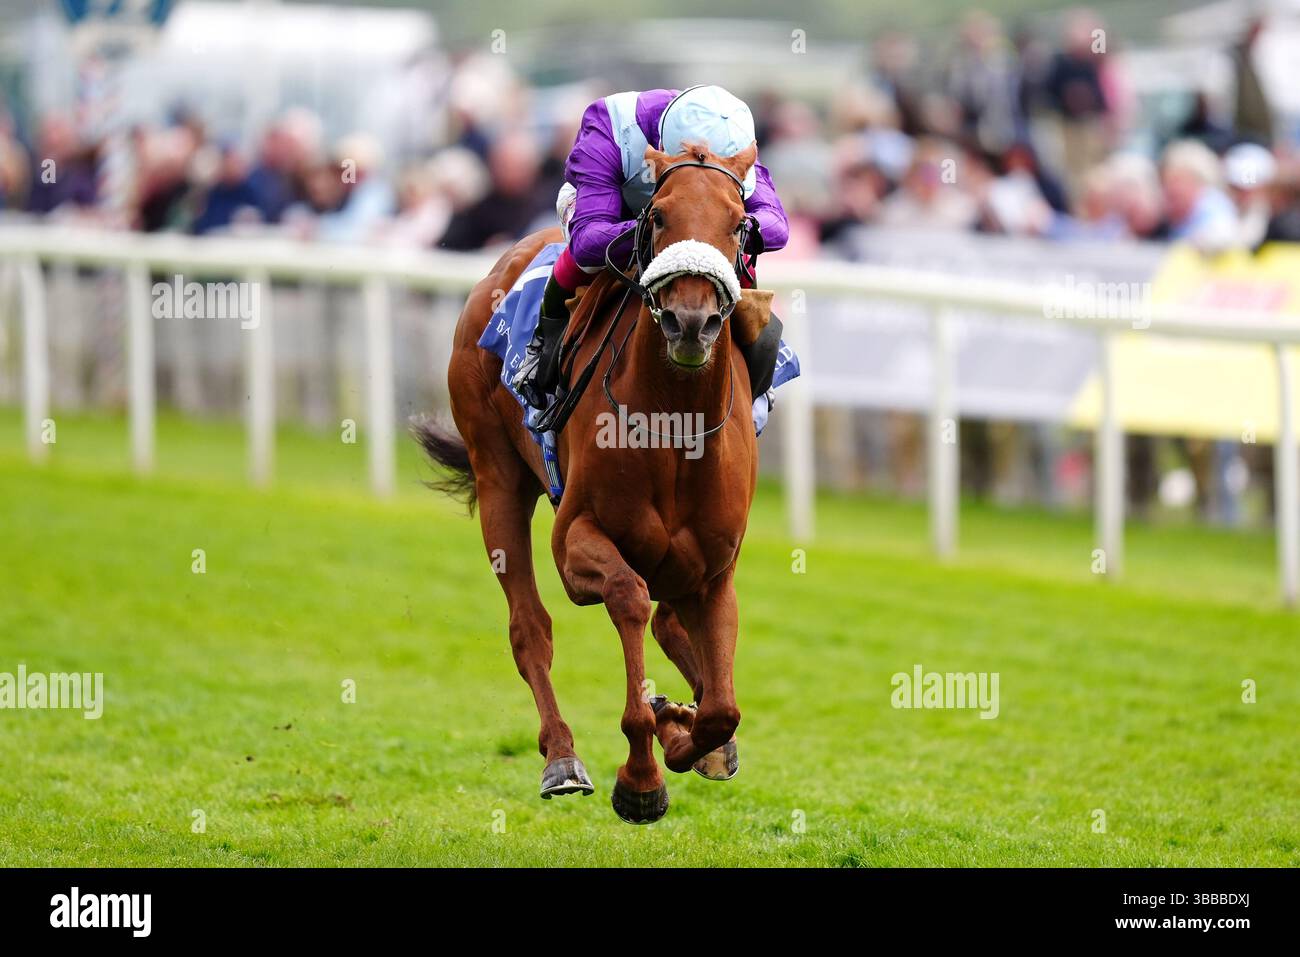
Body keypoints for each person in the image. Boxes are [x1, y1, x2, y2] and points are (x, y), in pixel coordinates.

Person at [512, 85, 789, 409]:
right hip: (614, 212)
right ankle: (542, 350)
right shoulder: (609, 124)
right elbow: (588, 240)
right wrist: (667, 226)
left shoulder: (730, 134)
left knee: (738, 259)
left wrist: (717, 226)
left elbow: (777, 226)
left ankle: (754, 392)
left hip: (692, 225)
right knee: (584, 260)